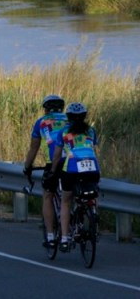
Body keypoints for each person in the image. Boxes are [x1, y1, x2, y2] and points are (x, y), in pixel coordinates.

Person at [49, 102, 100, 253]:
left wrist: (52, 171)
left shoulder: (64, 131)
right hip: (92, 168)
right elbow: (95, 151)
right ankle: (94, 218)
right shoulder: (91, 131)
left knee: (66, 201)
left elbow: (57, 155)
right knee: (92, 194)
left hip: (71, 169)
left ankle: (64, 238)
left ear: (68, 117)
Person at [22, 94, 67, 248]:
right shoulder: (70, 120)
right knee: (70, 194)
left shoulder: (41, 123)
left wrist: (27, 166)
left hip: (53, 163)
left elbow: (34, 147)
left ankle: (50, 236)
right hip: (73, 162)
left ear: (46, 109)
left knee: (48, 195)